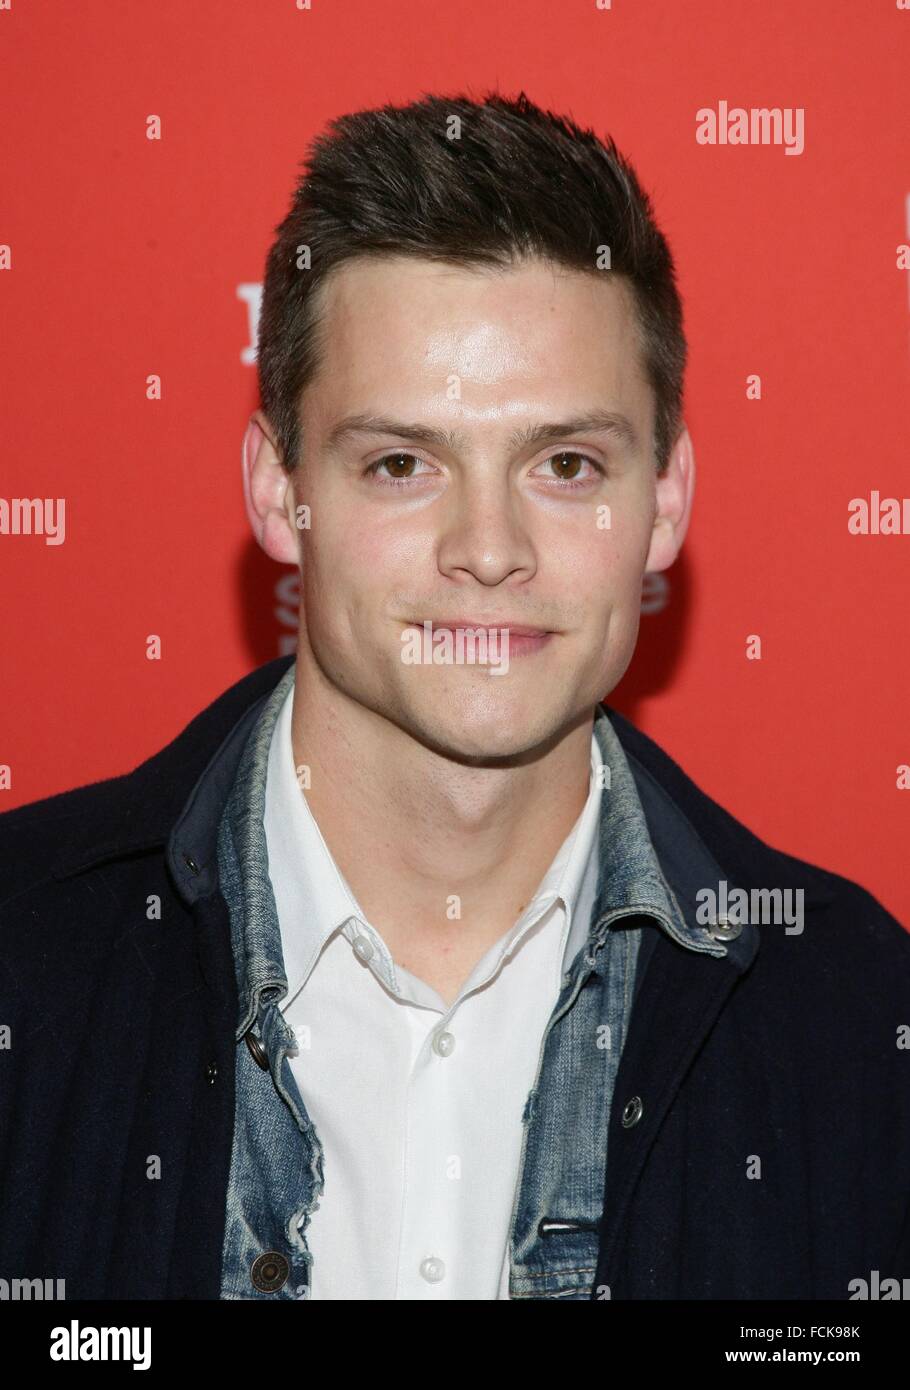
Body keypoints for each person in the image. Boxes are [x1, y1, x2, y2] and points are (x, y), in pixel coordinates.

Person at [1, 90, 908, 1303]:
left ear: (667, 499)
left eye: (566, 463)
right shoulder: (24, 959)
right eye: (401, 463)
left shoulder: (856, 1020)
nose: (488, 547)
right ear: (279, 490)